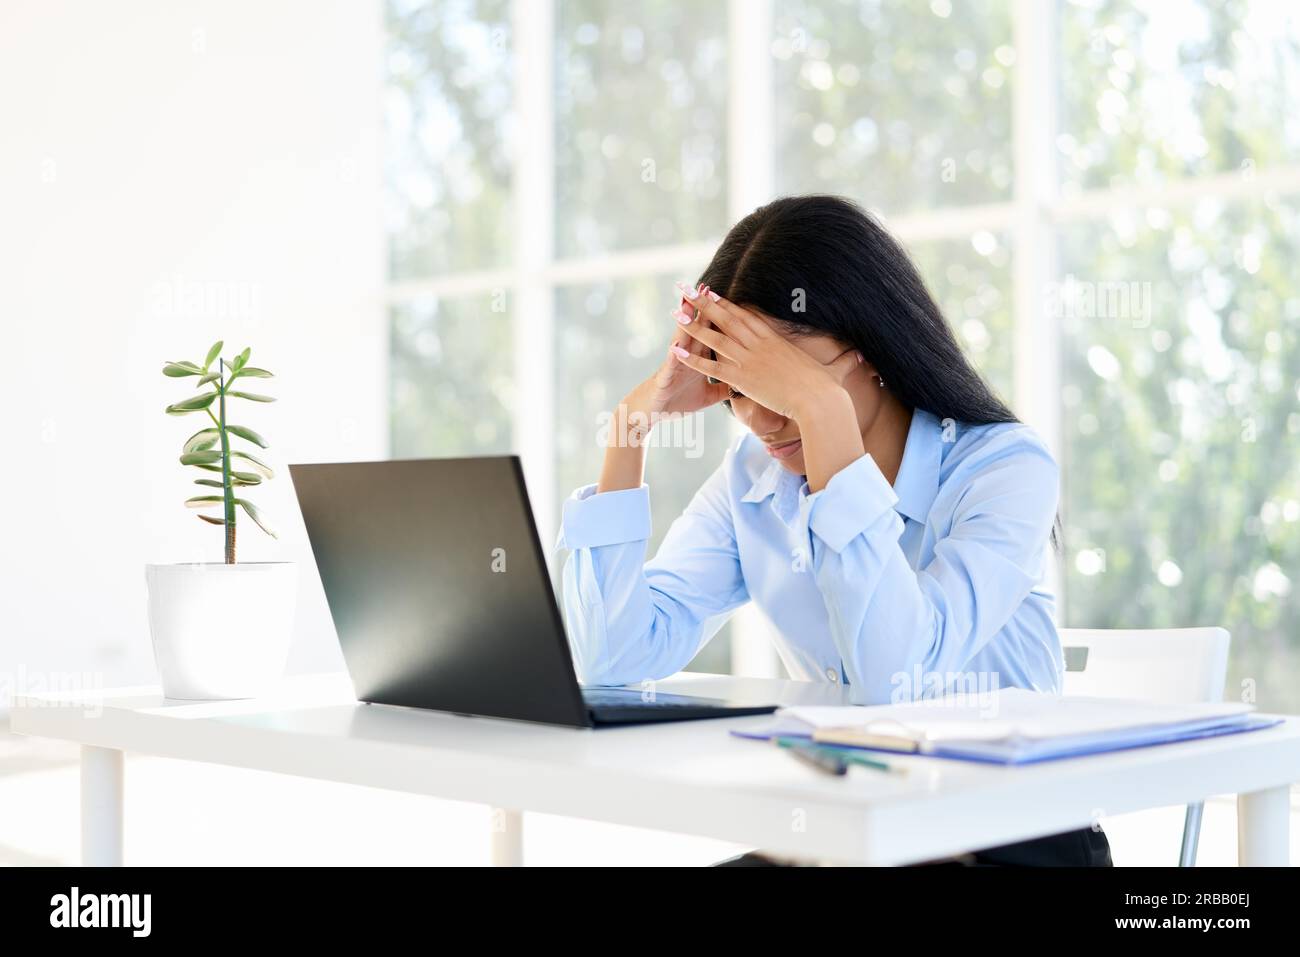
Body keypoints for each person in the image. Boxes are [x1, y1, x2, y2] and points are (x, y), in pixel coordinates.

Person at [555, 195, 1111, 866]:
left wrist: (822, 415)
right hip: (856, 834)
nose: (760, 419)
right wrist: (629, 427)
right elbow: (611, 657)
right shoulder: (755, 483)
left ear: (868, 345)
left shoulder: (1004, 468)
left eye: (780, 381)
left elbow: (897, 674)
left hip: (1009, 835)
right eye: (734, 387)